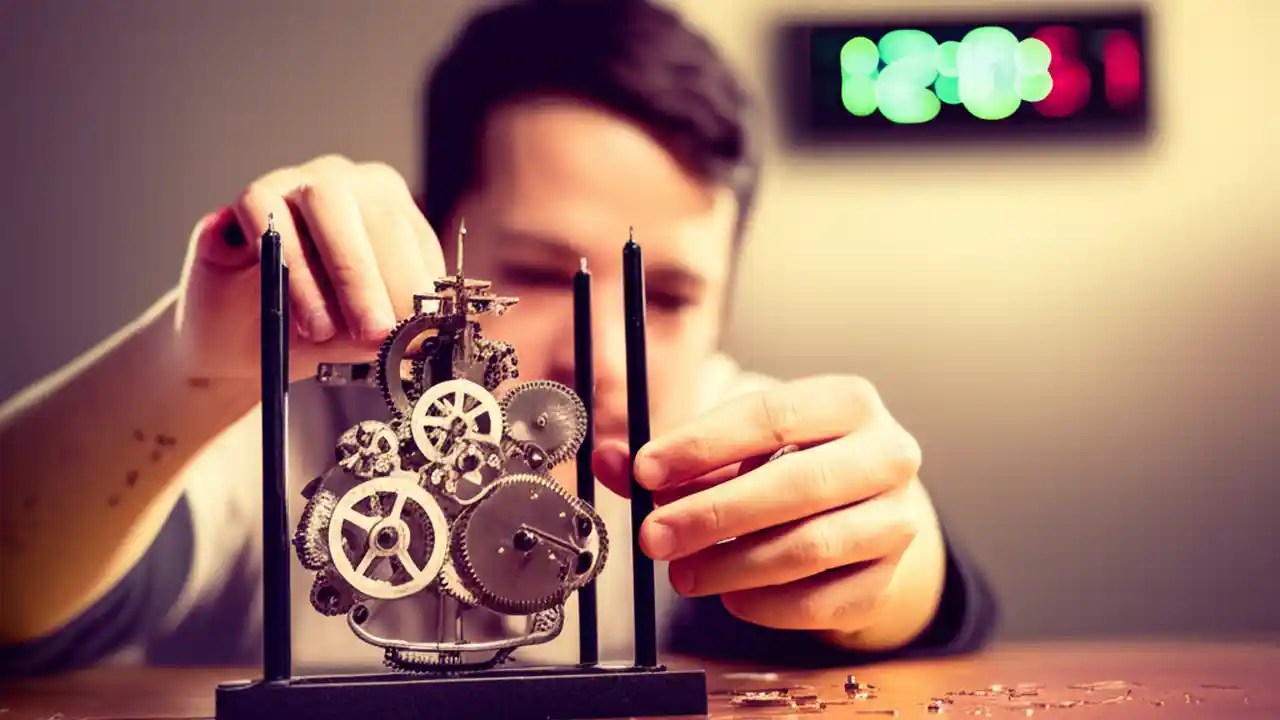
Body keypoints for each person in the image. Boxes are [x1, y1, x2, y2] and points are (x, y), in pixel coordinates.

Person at [0, 0, 995, 674]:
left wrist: (891, 569)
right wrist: (196, 371)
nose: (603, 352)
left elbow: (922, 608)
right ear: (432, 239)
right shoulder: (270, 428)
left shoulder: (737, 446)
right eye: (531, 273)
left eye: (670, 296)